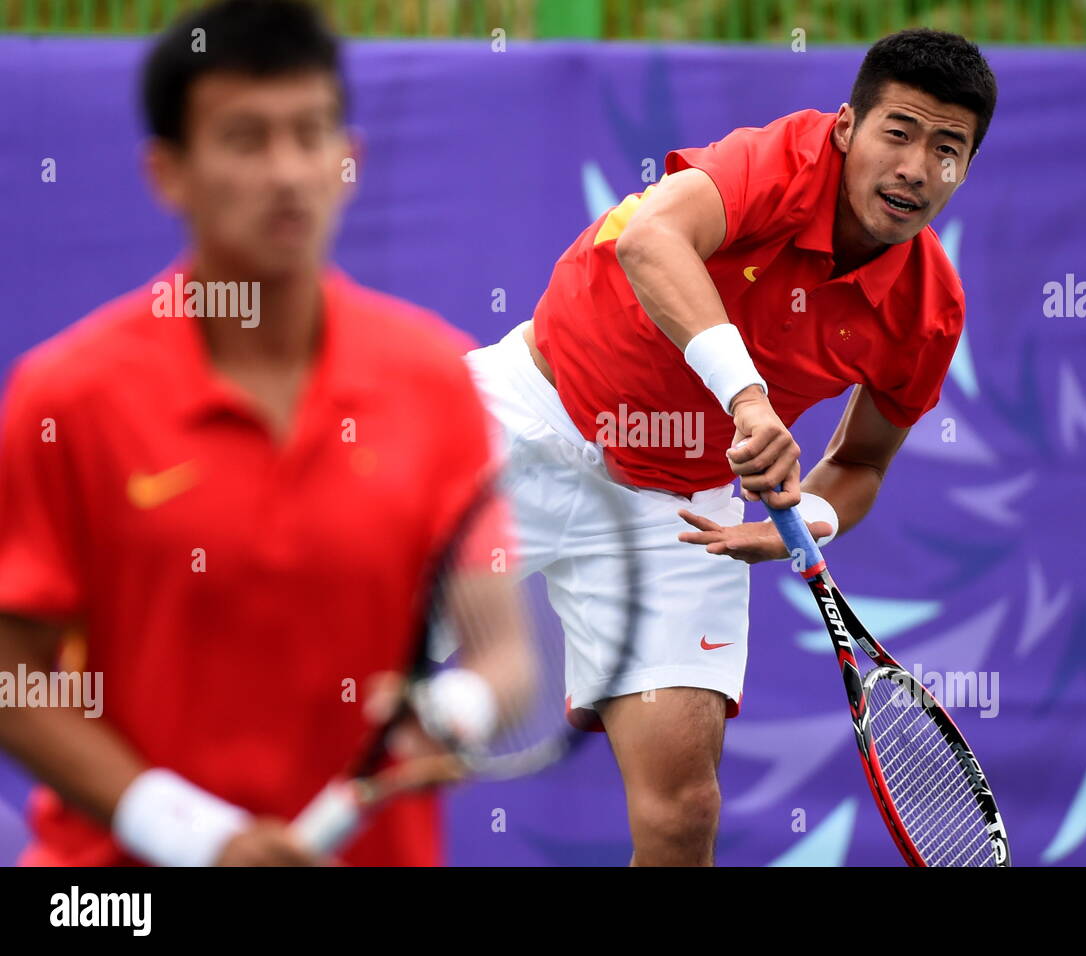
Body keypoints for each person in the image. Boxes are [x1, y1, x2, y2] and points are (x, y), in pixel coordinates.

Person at [0, 0, 524, 867]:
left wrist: (458, 710)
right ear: (169, 172)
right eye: (247, 139)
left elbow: (504, 653)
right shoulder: (67, 396)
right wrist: (196, 839)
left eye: (311, 133)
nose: (288, 172)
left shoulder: (435, 378)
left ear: (347, 161)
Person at [465, 28, 998, 865]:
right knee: (327, 678)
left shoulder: (929, 309)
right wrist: (747, 397)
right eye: (898, 132)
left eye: (948, 150)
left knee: (683, 813)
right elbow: (651, 240)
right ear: (846, 128)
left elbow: (861, 464)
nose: (917, 169)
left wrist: (802, 520)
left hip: (678, 514)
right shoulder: (777, 162)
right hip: (522, 422)